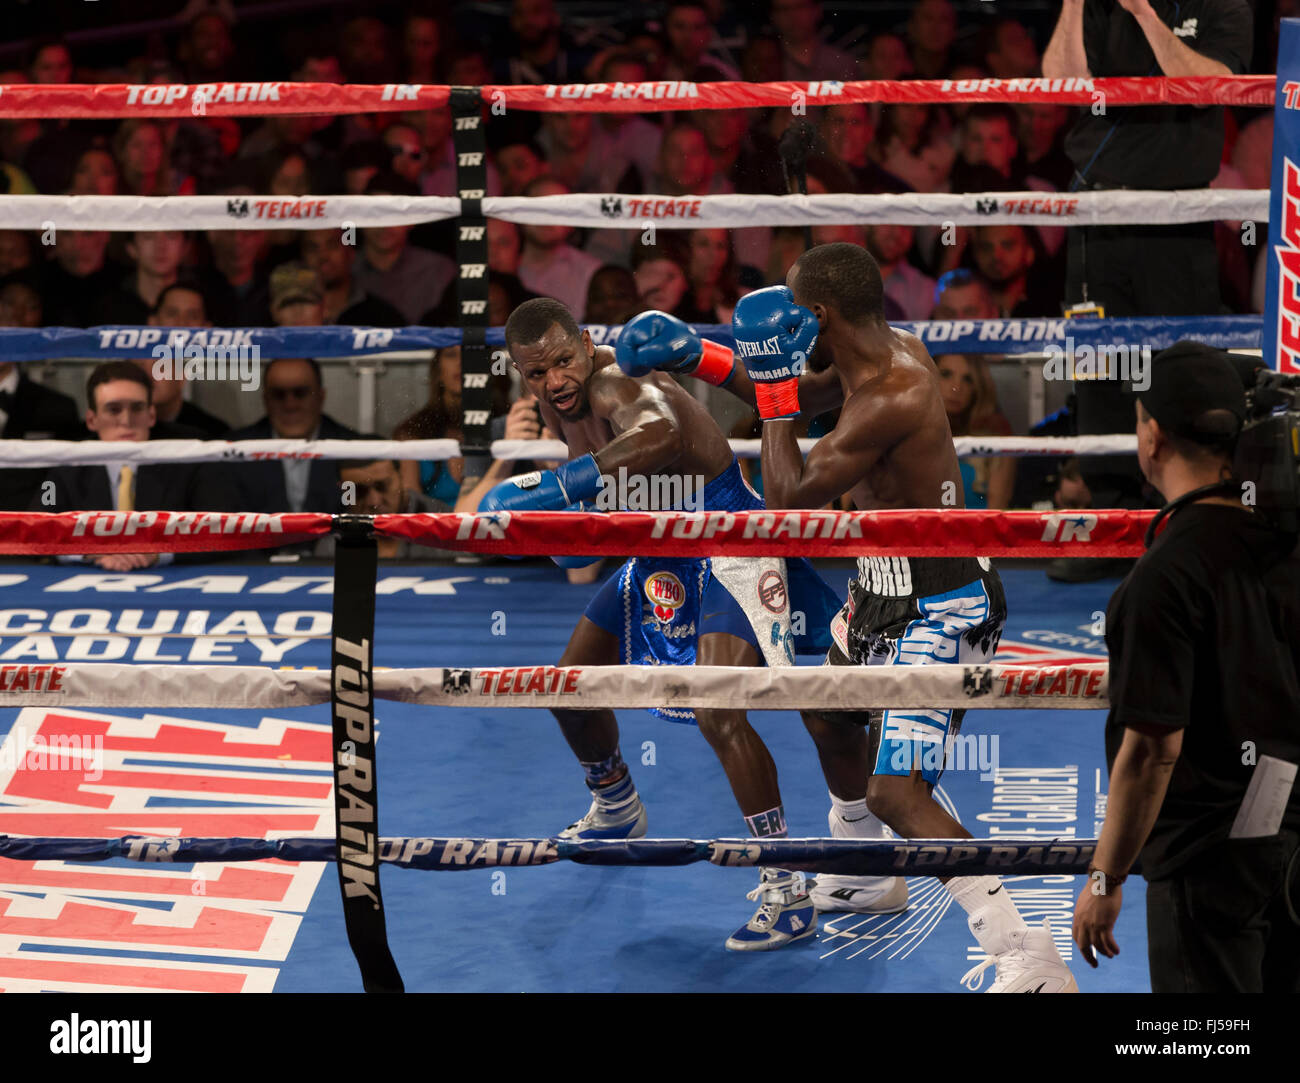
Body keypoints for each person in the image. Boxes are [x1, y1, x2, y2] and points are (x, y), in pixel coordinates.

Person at [727, 243, 1076, 990]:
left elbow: (786, 501)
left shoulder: (894, 391)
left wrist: (773, 386)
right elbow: (809, 395)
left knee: (897, 791)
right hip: (879, 587)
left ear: (818, 315)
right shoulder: (879, 353)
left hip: (940, 602)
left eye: (793, 311)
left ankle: (1024, 951)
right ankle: (864, 870)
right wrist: (712, 358)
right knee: (826, 714)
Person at [481, 297, 841, 951]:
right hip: (660, 546)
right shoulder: (564, 406)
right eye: (537, 373)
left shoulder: (618, 379)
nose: (556, 380)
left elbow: (665, 433)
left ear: (587, 344)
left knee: (718, 710)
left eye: (564, 360)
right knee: (568, 686)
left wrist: (568, 485)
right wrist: (579, 513)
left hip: (727, 534)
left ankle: (788, 884)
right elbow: (622, 492)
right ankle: (616, 802)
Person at [1072, 341, 1300, 992]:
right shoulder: (1287, 539)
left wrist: (1105, 878)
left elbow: (1151, 752)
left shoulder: (1165, 577)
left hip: (1209, 866)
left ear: (1152, 436)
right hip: (1290, 848)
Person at [1044, 0, 1254, 530]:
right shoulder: (1091, 7)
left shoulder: (1221, 4)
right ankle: (1109, 515)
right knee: (1098, 365)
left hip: (1176, 213)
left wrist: (1144, 13)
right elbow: (1060, 83)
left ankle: (1190, 513)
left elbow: (1212, 86)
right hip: (1097, 212)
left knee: (1181, 360)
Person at [34, 362, 236, 569]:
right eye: (113, 410)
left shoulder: (192, 456)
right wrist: (87, 552)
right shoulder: (65, 466)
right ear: (92, 420)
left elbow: (224, 529)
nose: (126, 420)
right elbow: (37, 528)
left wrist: (160, 553)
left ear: (151, 415)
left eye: (137, 408)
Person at [226, 358, 361, 513]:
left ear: (321, 396)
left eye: (301, 393)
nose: (290, 405)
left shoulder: (355, 449)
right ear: (266, 399)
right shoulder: (232, 452)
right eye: (278, 394)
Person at [936, 353, 1016, 510]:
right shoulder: (910, 434)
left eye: (968, 379)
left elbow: (996, 510)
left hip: (978, 531)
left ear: (978, 387)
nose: (956, 387)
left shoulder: (996, 435)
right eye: (946, 374)